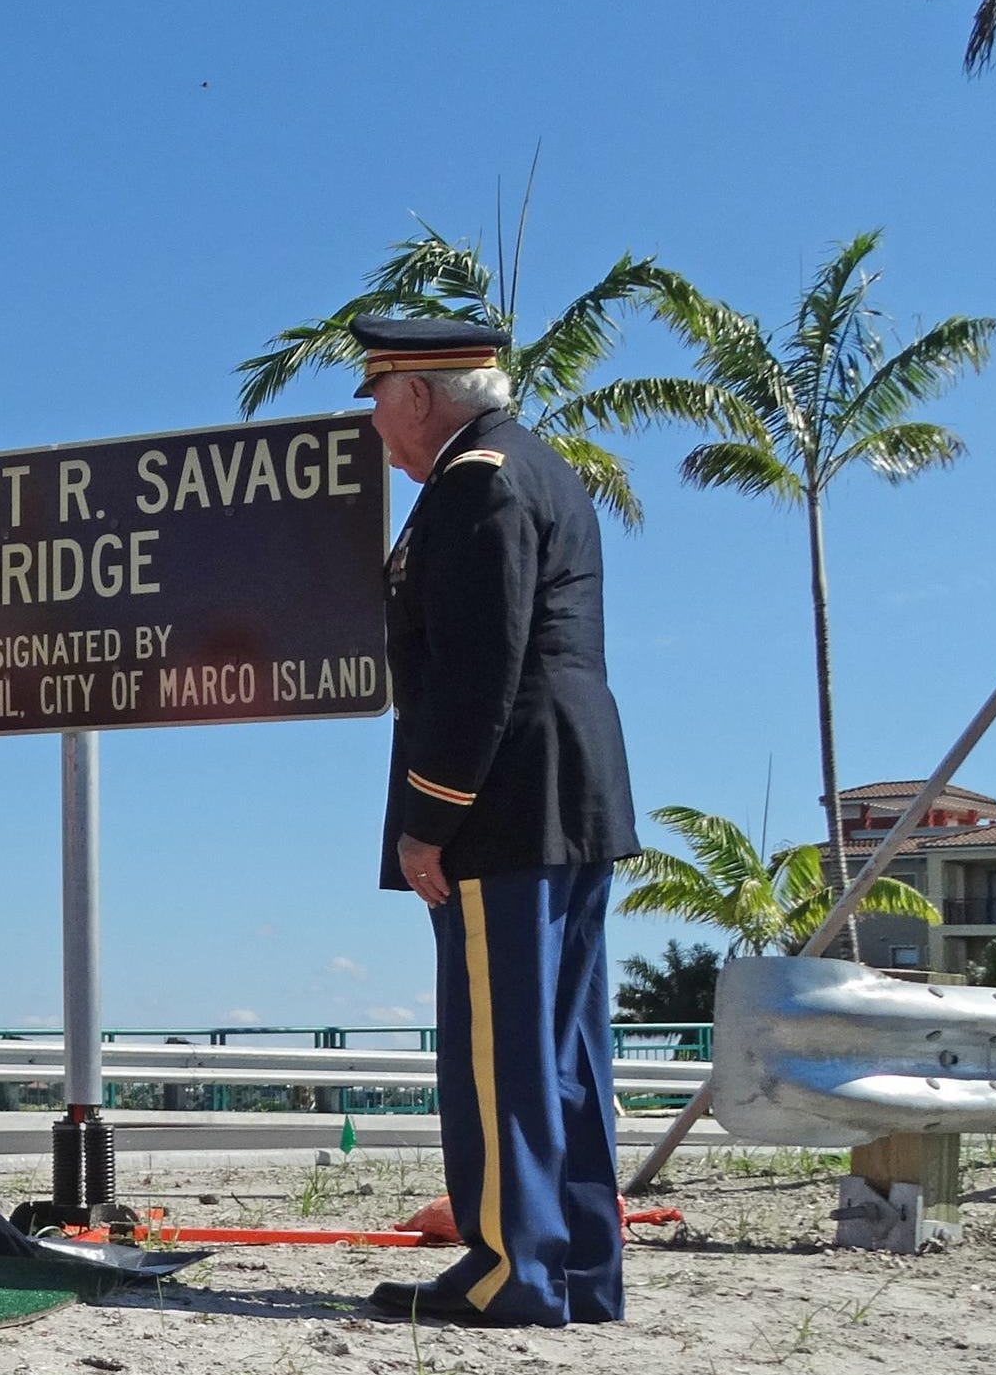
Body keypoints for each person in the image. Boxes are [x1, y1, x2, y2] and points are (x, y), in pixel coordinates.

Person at [350, 315, 638, 1329]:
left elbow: (478, 669)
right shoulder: (538, 465)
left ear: (417, 393)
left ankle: (506, 1271)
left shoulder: (474, 481)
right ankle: (578, 1266)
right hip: (566, 789)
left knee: (499, 1048)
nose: (376, 430)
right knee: (563, 1044)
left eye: (376, 400)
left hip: (504, 795)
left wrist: (427, 818)